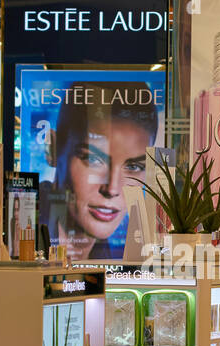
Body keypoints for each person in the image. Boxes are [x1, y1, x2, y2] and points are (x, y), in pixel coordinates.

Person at [39, 81, 158, 260]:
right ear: (53, 150)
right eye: (93, 159)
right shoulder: (22, 233)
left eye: (134, 167)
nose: (112, 189)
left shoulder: (116, 259)